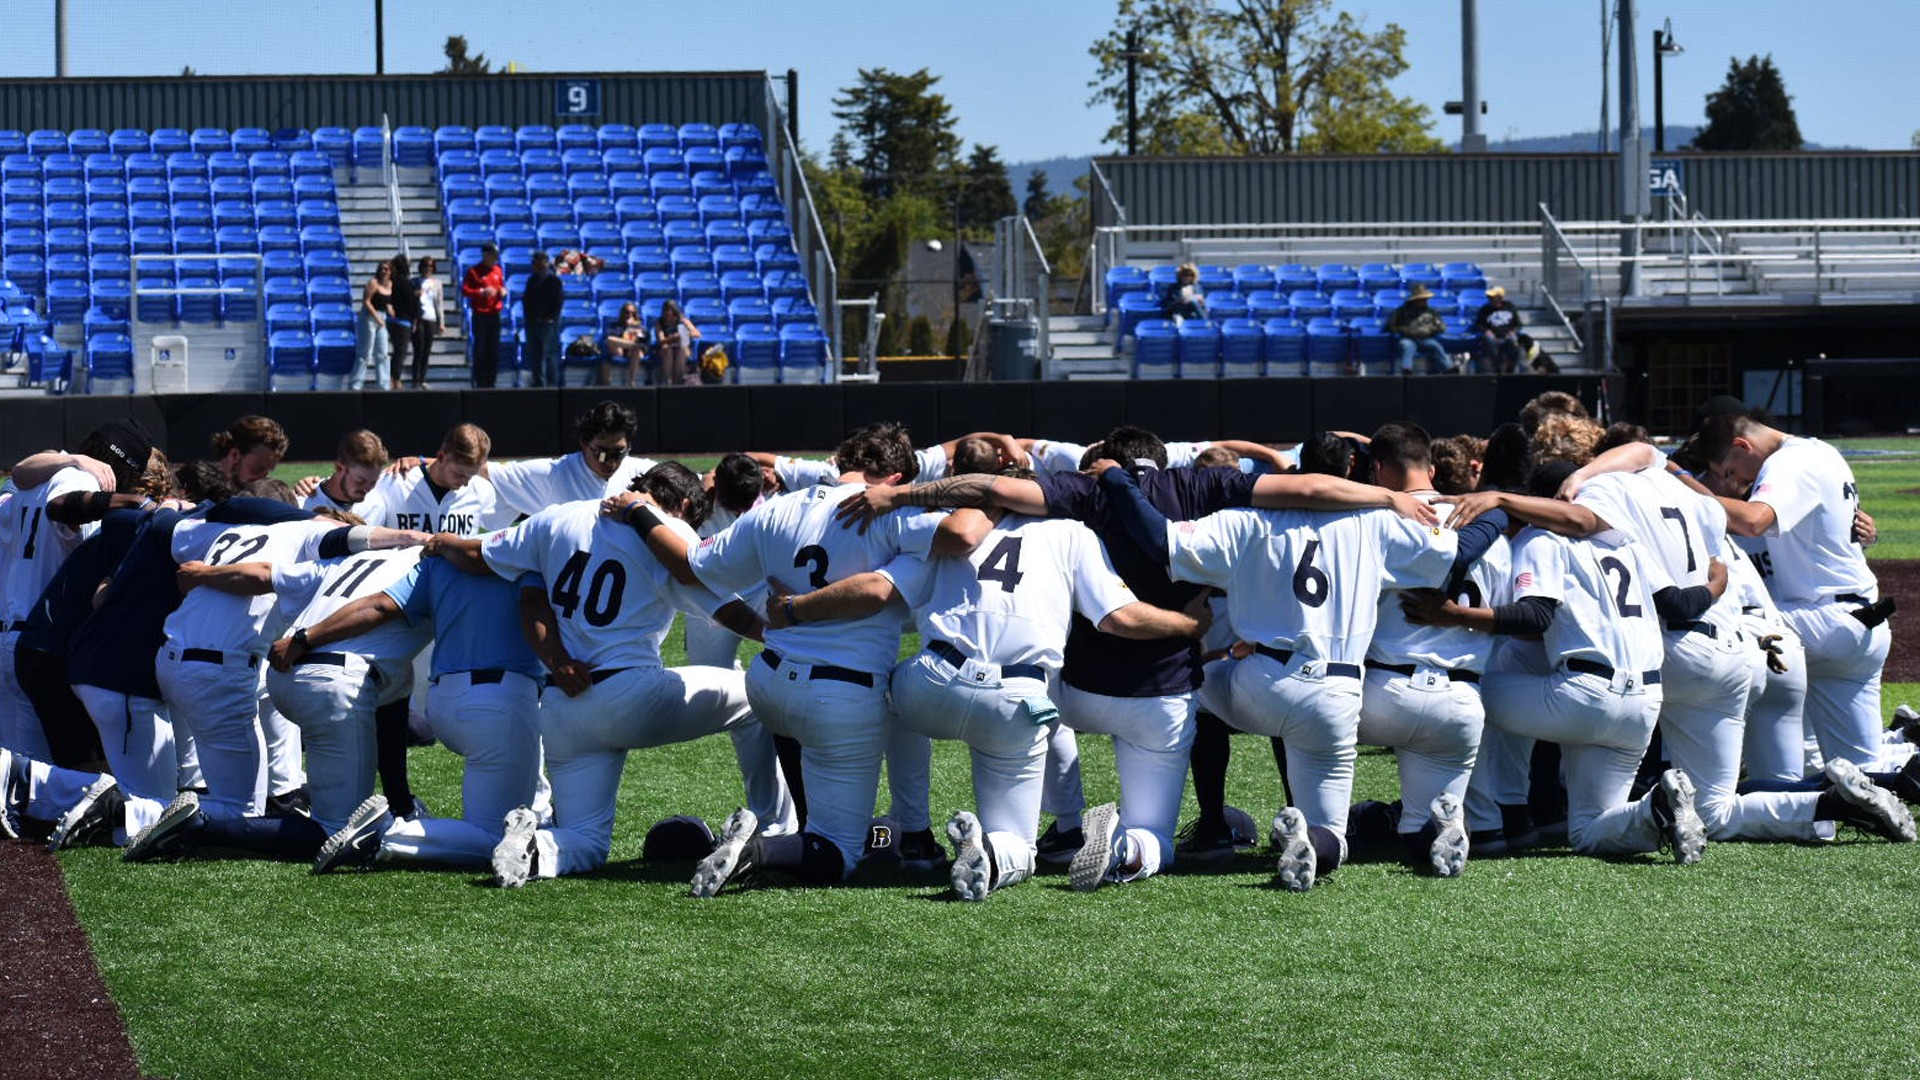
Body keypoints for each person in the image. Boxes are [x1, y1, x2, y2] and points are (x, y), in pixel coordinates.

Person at [759, 486, 1209, 900]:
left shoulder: (952, 529)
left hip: (934, 678)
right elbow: (1119, 618)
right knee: (1022, 839)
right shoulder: (1072, 532)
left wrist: (798, 608)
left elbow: (886, 590)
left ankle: (914, 835)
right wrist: (1191, 624)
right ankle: (999, 850)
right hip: (1018, 694)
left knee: (888, 700)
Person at [433, 464, 784, 886]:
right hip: (632, 694)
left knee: (586, 841)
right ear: (683, 504)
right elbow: (726, 609)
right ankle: (775, 830)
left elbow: (478, 557)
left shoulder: (557, 517)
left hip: (564, 703)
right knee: (758, 694)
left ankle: (534, 846)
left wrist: (439, 541)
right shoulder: (667, 530)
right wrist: (777, 636)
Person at [1693, 410, 1892, 771]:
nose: (1737, 481)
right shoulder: (1822, 451)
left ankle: (1724, 770)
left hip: (1821, 621)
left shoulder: (1788, 462)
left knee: (1711, 636)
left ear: (1742, 445)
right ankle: (1898, 768)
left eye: (1730, 470)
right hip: (1864, 623)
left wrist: (1674, 494)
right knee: (1866, 771)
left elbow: (1753, 522)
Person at [298, 430, 389, 517]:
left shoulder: (376, 506)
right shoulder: (302, 505)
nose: (367, 489)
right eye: (360, 480)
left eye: (373, 482)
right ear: (339, 468)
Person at [461, 243, 506, 388]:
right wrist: (480, 292)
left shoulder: (498, 270)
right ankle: (480, 381)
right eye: (492, 256)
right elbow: (465, 290)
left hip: (494, 314)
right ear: (485, 255)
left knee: (493, 350)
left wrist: (502, 291)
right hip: (480, 315)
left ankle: (491, 381)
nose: (495, 259)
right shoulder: (474, 271)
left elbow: (501, 286)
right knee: (481, 349)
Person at [521, 251, 564, 389]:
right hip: (533, 322)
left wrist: (550, 318)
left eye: (539, 262)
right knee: (535, 354)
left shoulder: (553, 280)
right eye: (534, 262)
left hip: (548, 323)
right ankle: (538, 383)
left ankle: (551, 384)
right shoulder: (532, 280)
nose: (536, 265)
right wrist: (529, 318)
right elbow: (526, 300)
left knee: (549, 354)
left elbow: (557, 302)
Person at [211, 415, 289, 487]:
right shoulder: (205, 492)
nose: (261, 481)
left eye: (266, 474)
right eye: (257, 469)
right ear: (234, 455)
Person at [1388, 285, 1448, 375]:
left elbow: (1441, 326)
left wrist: (1431, 330)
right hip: (1408, 338)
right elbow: (1391, 325)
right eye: (1422, 299)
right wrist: (1403, 330)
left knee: (1436, 346)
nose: (1424, 301)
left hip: (1426, 338)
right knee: (1407, 346)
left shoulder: (1431, 312)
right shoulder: (1401, 311)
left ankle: (1447, 368)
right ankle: (1407, 369)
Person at [356, 261, 393, 391]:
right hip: (369, 317)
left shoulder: (390, 285)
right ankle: (356, 384)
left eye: (386, 269)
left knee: (383, 353)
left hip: (382, 317)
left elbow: (386, 302)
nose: (383, 271)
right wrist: (377, 318)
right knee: (365, 353)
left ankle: (384, 385)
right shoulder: (373, 283)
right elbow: (366, 301)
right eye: (381, 268)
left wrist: (390, 309)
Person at [385, 253, 419, 392]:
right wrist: (414, 318)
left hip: (392, 320)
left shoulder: (391, 282)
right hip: (403, 320)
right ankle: (395, 379)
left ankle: (393, 377)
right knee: (401, 351)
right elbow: (411, 303)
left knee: (397, 351)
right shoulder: (406, 283)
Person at [1471, 286, 1523, 374]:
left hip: (1508, 335)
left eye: (1493, 297)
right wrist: (1486, 331)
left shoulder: (1510, 306)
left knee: (1513, 341)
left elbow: (1518, 324)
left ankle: (1511, 368)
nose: (1490, 299)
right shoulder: (1485, 309)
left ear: (1500, 297)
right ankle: (1497, 367)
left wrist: (1513, 332)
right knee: (1488, 339)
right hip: (1493, 336)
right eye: (1489, 297)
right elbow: (1479, 324)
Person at [410, 256, 442, 389]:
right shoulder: (414, 282)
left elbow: (439, 303)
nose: (428, 269)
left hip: (431, 318)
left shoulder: (437, 283)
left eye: (430, 266)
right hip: (419, 318)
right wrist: (414, 294)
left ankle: (423, 378)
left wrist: (441, 322)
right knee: (418, 349)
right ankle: (415, 379)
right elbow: (408, 300)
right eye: (425, 266)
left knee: (427, 350)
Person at [652, 299, 700, 387]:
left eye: (669, 310)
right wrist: (672, 338)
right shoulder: (660, 323)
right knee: (667, 349)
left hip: (682, 345)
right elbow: (661, 340)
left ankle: (678, 380)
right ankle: (668, 380)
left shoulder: (682, 320)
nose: (667, 313)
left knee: (681, 349)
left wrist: (683, 334)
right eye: (665, 310)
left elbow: (696, 333)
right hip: (668, 345)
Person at [603, 301, 647, 387]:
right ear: (623, 314)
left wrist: (634, 328)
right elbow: (611, 338)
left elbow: (643, 341)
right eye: (627, 313)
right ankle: (632, 345)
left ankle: (631, 382)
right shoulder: (616, 326)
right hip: (620, 350)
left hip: (634, 352)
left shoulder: (639, 326)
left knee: (637, 349)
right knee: (609, 339)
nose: (630, 315)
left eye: (632, 313)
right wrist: (626, 329)